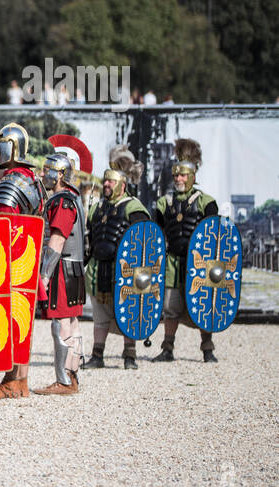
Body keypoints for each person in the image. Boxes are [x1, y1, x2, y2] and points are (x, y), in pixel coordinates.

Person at [0, 123, 46, 399]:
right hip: (28, 258)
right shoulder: (30, 178)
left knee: (9, 319)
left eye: (1, 145)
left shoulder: (10, 183)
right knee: (22, 319)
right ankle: (21, 378)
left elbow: (1, 223)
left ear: (10, 146)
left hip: (9, 259)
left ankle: (13, 380)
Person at [152, 139, 219, 363]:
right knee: (170, 307)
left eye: (183, 175)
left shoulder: (206, 203)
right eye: (176, 175)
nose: (178, 179)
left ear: (192, 176)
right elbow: (155, 231)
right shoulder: (164, 203)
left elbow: (215, 236)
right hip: (172, 262)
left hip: (198, 264)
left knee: (202, 303)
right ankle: (168, 348)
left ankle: (207, 348)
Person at [85, 147, 150, 371]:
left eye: (111, 182)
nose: (106, 185)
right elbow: (90, 239)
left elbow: (144, 243)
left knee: (128, 311)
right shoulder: (96, 208)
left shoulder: (134, 208)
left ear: (122, 184)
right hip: (98, 270)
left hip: (123, 271)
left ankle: (129, 355)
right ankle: (97, 355)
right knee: (100, 316)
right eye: (105, 181)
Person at [34, 152, 86, 394]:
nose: (44, 174)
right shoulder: (74, 198)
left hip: (62, 269)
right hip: (73, 267)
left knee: (62, 324)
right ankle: (71, 377)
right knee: (73, 324)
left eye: (48, 170)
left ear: (61, 174)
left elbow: (57, 239)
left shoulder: (63, 201)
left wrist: (45, 273)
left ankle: (64, 380)